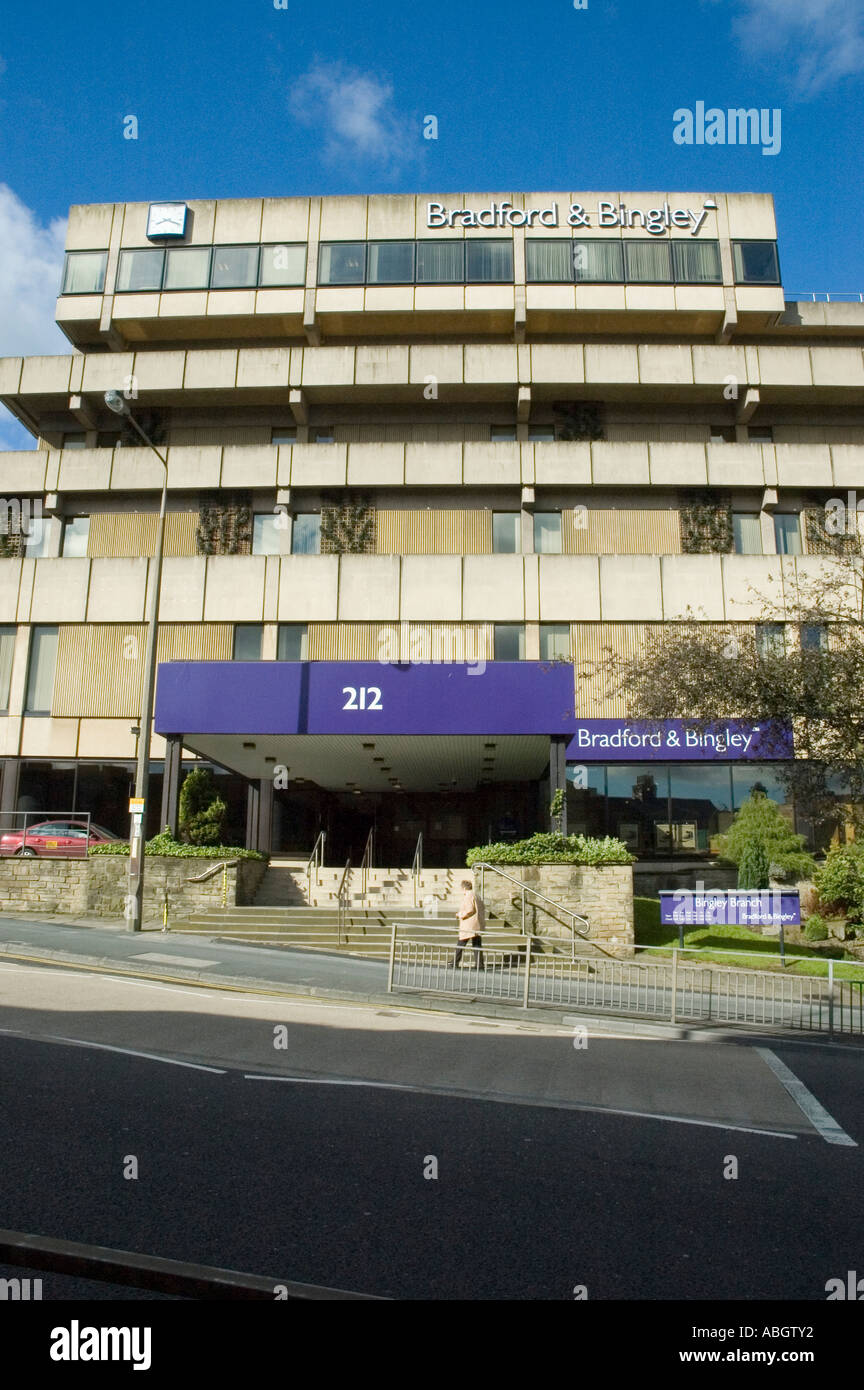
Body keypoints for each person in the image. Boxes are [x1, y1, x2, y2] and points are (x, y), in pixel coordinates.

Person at [454, 878, 485, 969]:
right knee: (477, 944)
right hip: (477, 923)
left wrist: (460, 915)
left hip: (469, 924)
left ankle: (455, 962)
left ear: (463, 888)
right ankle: (480, 964)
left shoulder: (468, 896)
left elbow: (470, 910)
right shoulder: (476, 895)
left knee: (461, 942)